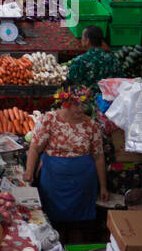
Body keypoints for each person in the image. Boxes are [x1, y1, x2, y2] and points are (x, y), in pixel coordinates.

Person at [24, 88, 108, 235]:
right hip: (54, 180)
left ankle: (75, 248)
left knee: (80, 224)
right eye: (77, 105)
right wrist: (29, 172)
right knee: (53, 219)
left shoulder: (92, 126)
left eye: (84, 104)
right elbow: (35, 147)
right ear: (65, 104)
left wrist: (103, 186)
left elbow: (99, 156)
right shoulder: (49, 119)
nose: (81, 109)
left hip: (82, 183)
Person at [65, 26, 123, 92]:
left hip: (87, 100)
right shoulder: (113, 59)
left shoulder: (80, 61)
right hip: (109, 100)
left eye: (82, 37)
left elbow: (70, 81)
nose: (81, 39)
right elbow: (120, 80)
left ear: (87, 41)